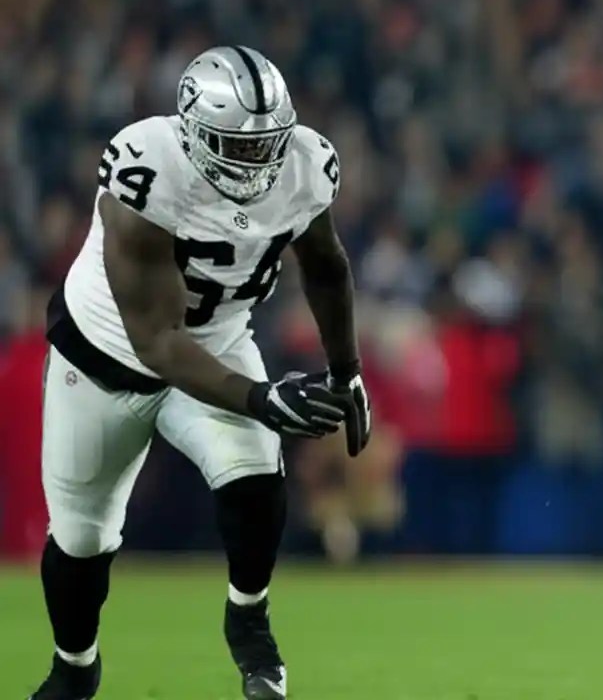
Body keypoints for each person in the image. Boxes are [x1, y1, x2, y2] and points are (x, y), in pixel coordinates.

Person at [29, 45, 372, 700]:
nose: (255, 159)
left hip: (213, 341)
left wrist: (346, 369)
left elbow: (325, 263)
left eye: (267, 143)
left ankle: (249, 619)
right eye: (234, 145)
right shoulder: (145, 165)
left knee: (255, 474)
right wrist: (261, 395)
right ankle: (75, 667)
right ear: (190, 128)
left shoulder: (305, 162)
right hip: (105, 358)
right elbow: (155, 340)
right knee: (81, 538)